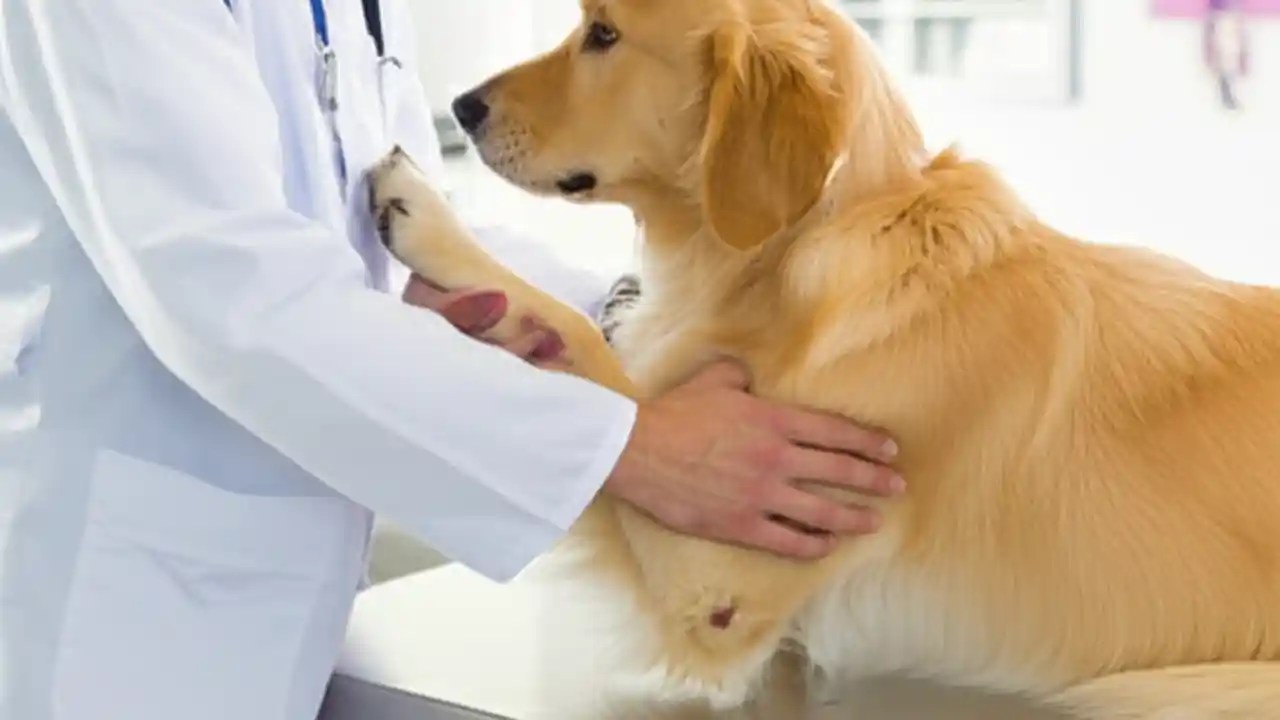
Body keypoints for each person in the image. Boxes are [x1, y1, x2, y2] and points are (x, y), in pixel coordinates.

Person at [0, 2, 904, 719]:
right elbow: (229, 291)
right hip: (122, 611)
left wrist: (641, 327)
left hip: (302, 593)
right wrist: (643, 448)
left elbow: (389, 220)